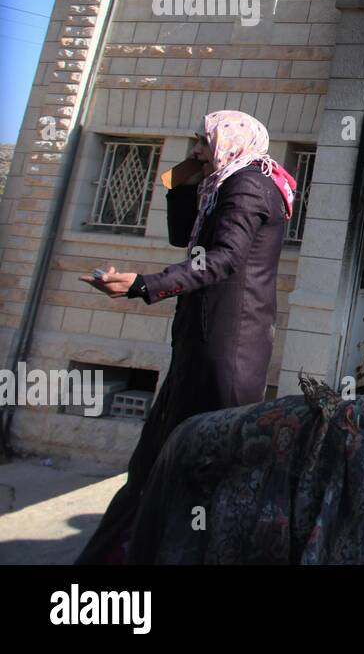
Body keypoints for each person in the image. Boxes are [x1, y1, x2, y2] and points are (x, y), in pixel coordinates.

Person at [74, 109, 296, 564]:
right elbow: (184, 238)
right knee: (156, 465)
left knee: (206, 467)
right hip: (199, 341)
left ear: (228, 141)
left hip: (226, 347)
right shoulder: (225, 183)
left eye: (202, 142)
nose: (196, 150)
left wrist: (142, 284)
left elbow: (222, 260)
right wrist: (178, 179)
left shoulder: (248, 186)